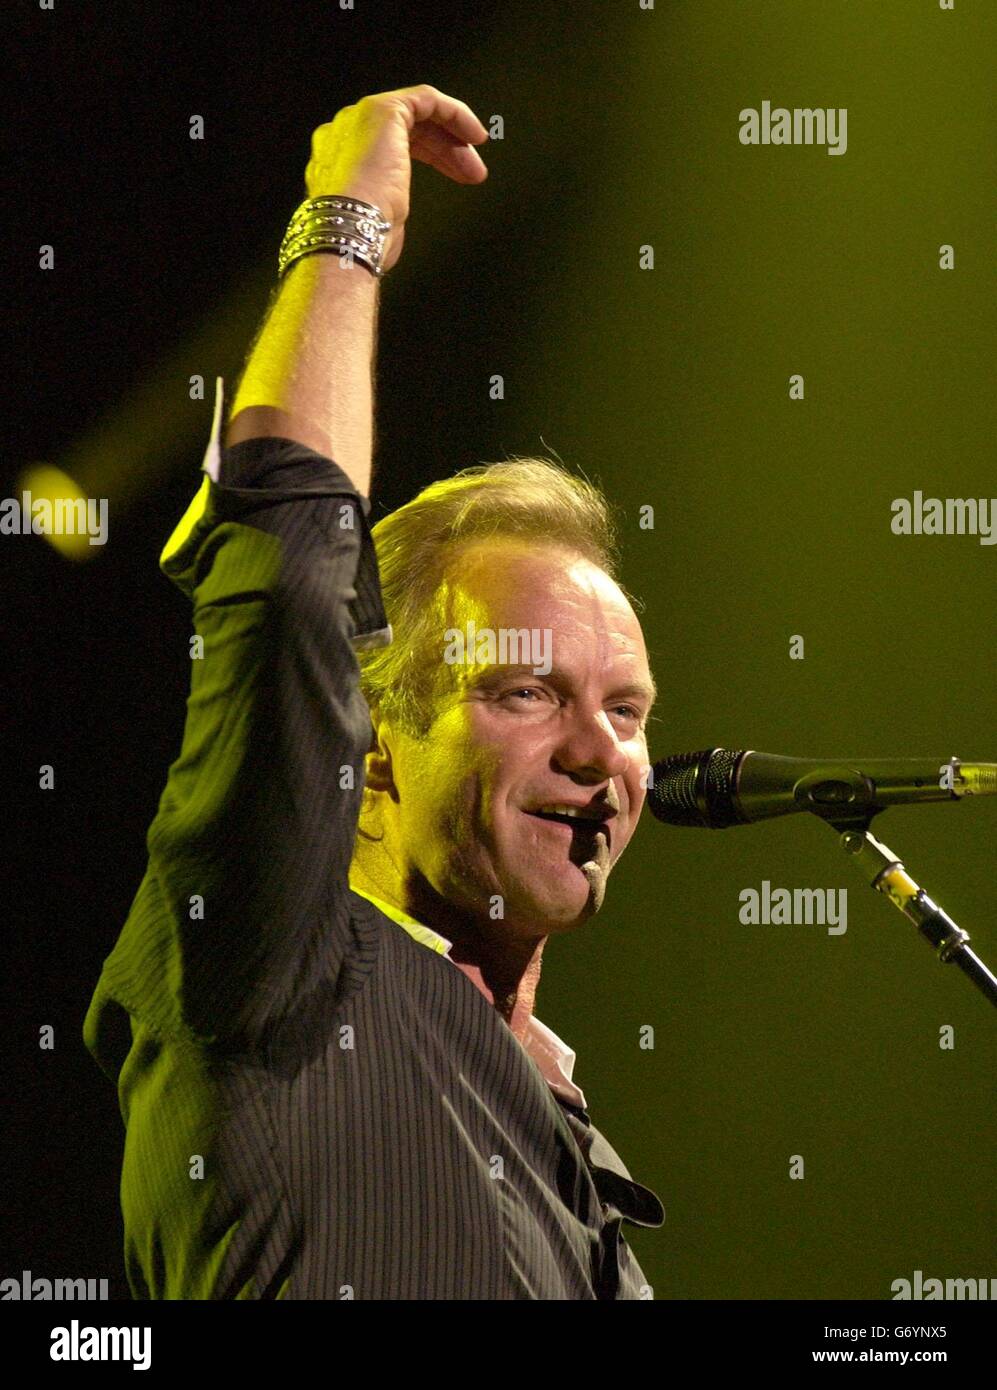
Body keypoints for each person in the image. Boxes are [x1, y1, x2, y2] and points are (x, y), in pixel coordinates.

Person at [84, 84, 665, 1300]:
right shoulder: (277, 962)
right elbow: (290, 587)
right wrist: (344, 222)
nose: (593, 750)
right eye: (525, 693)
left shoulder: (565, 1124)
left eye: (625, 710)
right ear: (377, 738)